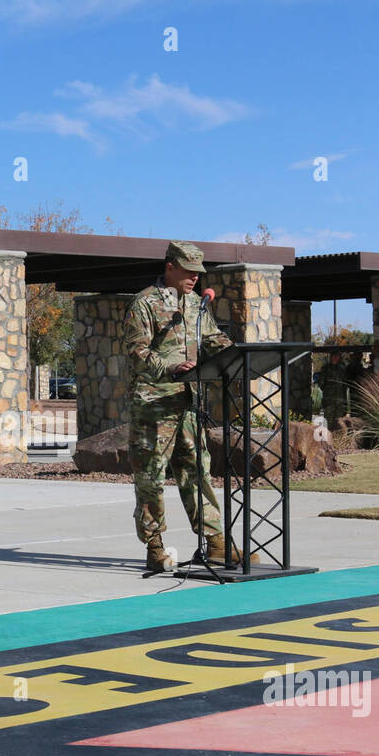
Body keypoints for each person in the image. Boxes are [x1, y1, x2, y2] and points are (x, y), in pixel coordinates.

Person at [121, 240, 239, 572]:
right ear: (170, 267)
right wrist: (170, 368)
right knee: (151, 478)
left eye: (198, 273)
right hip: (153, 404)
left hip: (188, 403)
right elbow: (137, 352)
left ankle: (216, 543)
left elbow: (213, 338)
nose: (195, 278)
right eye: (189, 272)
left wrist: (237, 353)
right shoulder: (144, 303)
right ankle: (155, 548)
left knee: (197, 472)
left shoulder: (195, 304)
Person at [319, 351, 348, 425]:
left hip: (340, 401)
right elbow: (321, 383)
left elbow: (346, 384)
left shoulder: (343, 368)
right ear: (331, 356)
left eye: (337, 355)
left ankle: (340, 437)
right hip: (329, 400)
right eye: (334, 355)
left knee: (340, 423)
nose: (335, 357)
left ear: (339, 357)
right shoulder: (325, 368)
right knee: (329, 422)